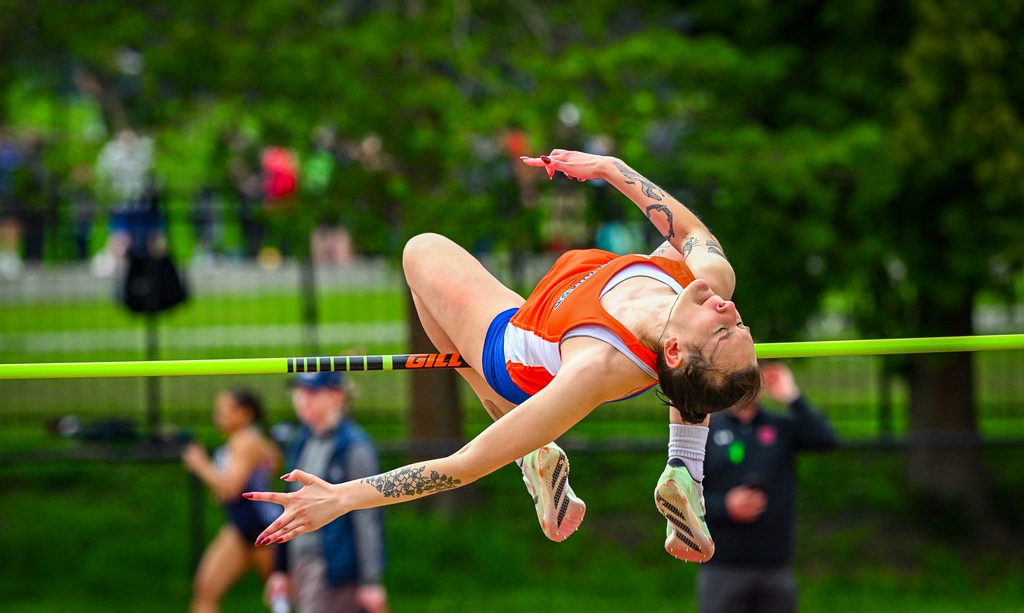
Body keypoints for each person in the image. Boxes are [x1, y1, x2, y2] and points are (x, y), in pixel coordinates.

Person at [246, 149, 761, 564]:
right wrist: (608, 168)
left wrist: (342, 497)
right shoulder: (709, 286)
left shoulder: (596, 366)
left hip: (512, 351)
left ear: (672, 349)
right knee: (684, 267)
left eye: (723, 327)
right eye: (740, 325)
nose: (728, 308)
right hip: (568, 307)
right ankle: (683, 470)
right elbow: (691, 234)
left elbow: (461, 465)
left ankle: (529, 448)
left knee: (420, 250)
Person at [696, 361, 838, 613]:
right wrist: (725, 506)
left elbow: (826, 440)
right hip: (722, 567)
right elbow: (682, 497)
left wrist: (792, 397)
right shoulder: (705, 428)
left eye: (752, 376)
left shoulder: (781, 427)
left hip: (775, 567)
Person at [264, 371, 389, 613]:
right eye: (299, 393)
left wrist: (371, 580)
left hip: (334, 566)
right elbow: (289, 506)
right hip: (302, 560)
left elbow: (368, 517)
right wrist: (281, 569)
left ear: (337, 396)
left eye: (313, 393)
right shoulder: (301, 441)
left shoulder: (354, 448)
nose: (303, 400)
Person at [182, 388, 283, 613]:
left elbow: (230, 488)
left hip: (260, 527)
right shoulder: (245, 440)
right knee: (206, 590)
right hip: (246, 524)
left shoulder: (246, 441)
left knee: (282, 594)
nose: (217, 417)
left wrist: (200, 465)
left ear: (244, 413)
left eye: (223, 411)